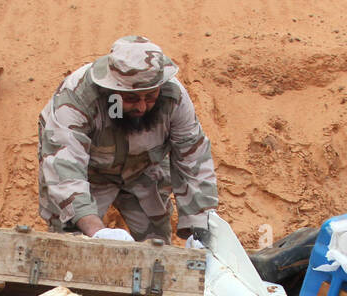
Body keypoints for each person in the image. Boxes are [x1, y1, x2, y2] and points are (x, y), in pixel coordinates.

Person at [38, 36, 218, 245]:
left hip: (143, 168)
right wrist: (96, 231)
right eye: (132, 98)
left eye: (150, 97)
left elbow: (193, 160)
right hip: (88, 171)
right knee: (72, 239)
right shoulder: (76, 97)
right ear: (112, 89)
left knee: (157, 247)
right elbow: (64, 168)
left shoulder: (174, 97)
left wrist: (201, 232)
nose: (141, 107)